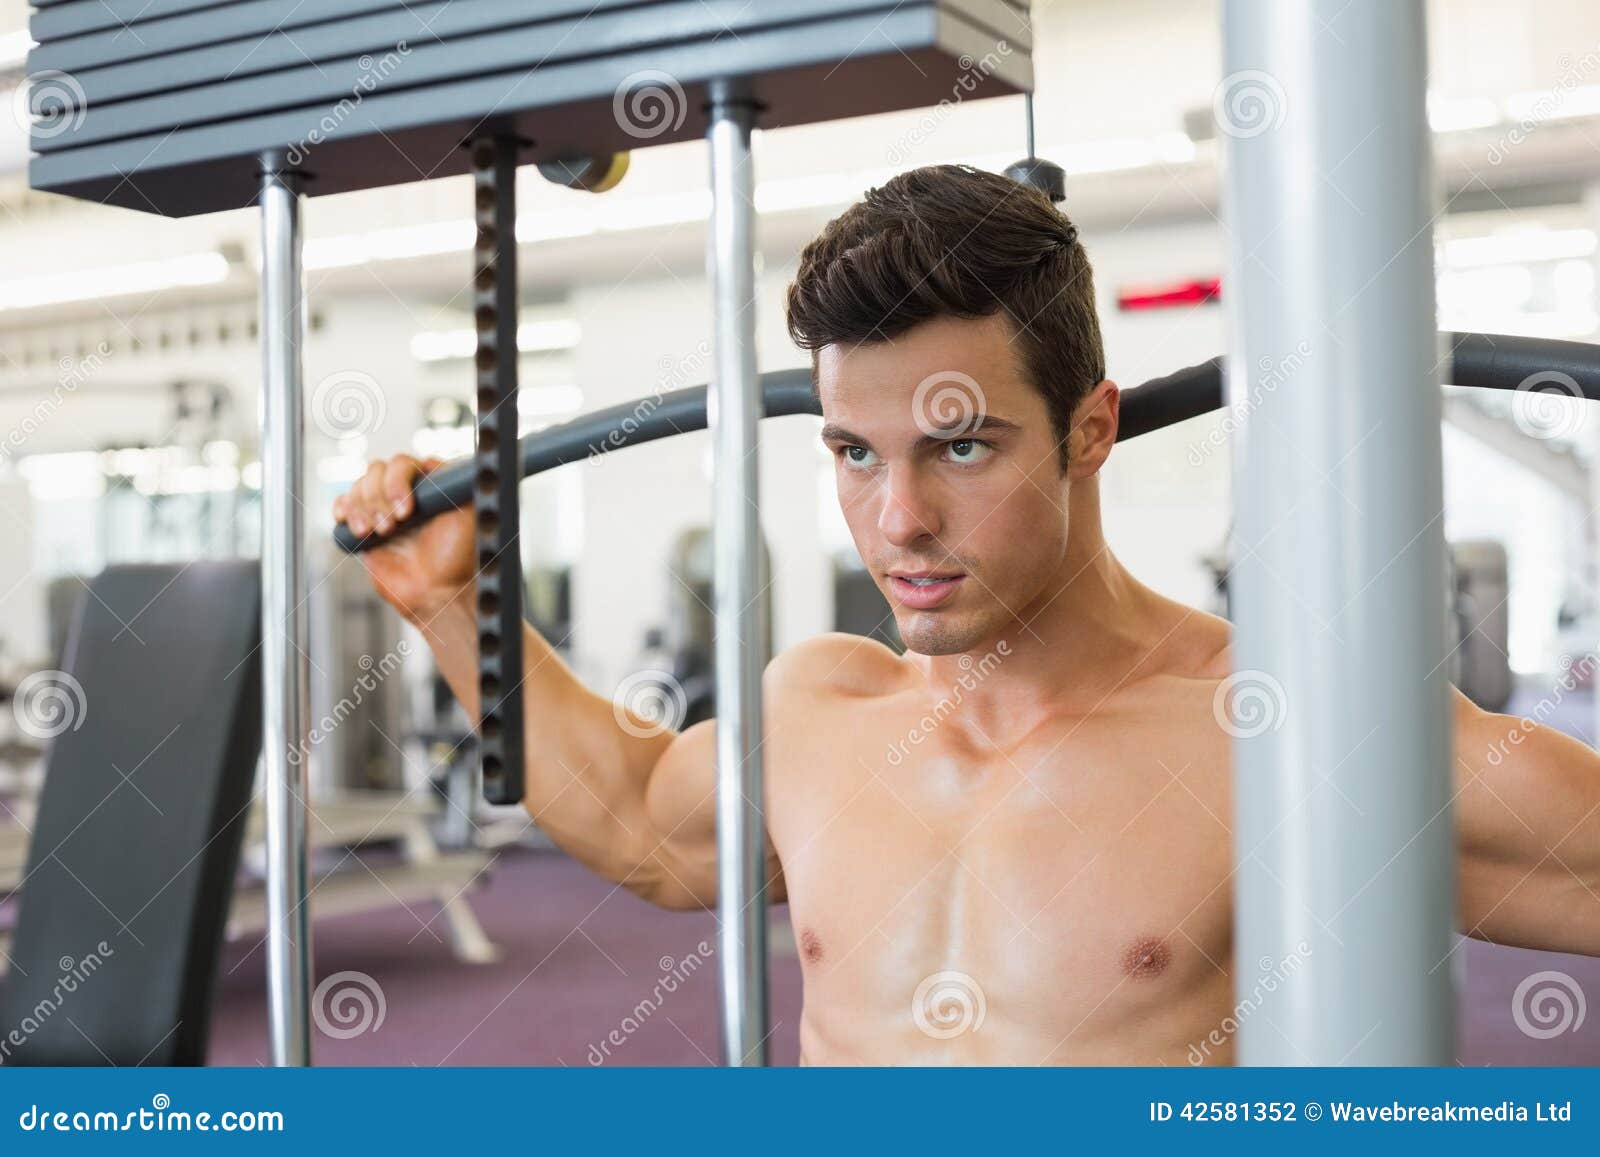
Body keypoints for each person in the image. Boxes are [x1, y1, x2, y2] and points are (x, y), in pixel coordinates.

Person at [333, 163, 1600, 1064]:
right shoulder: (819, 705)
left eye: (960, 448)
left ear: (1088, 428)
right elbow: (643, 830)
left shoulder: (1270, 721)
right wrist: (453, 603)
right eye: (855, 453)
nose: (898, 522)